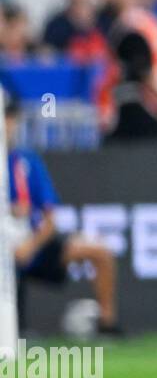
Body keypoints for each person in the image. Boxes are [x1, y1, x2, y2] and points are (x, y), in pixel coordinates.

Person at [5, 94, 121, 335]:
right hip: (3, 244)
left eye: (10, 118)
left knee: (100, 252)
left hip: (30, 241)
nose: (7, 125)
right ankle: (14, 329)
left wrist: (31, 246)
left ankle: (107, 325)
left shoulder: (26, 160)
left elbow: (50, 217)